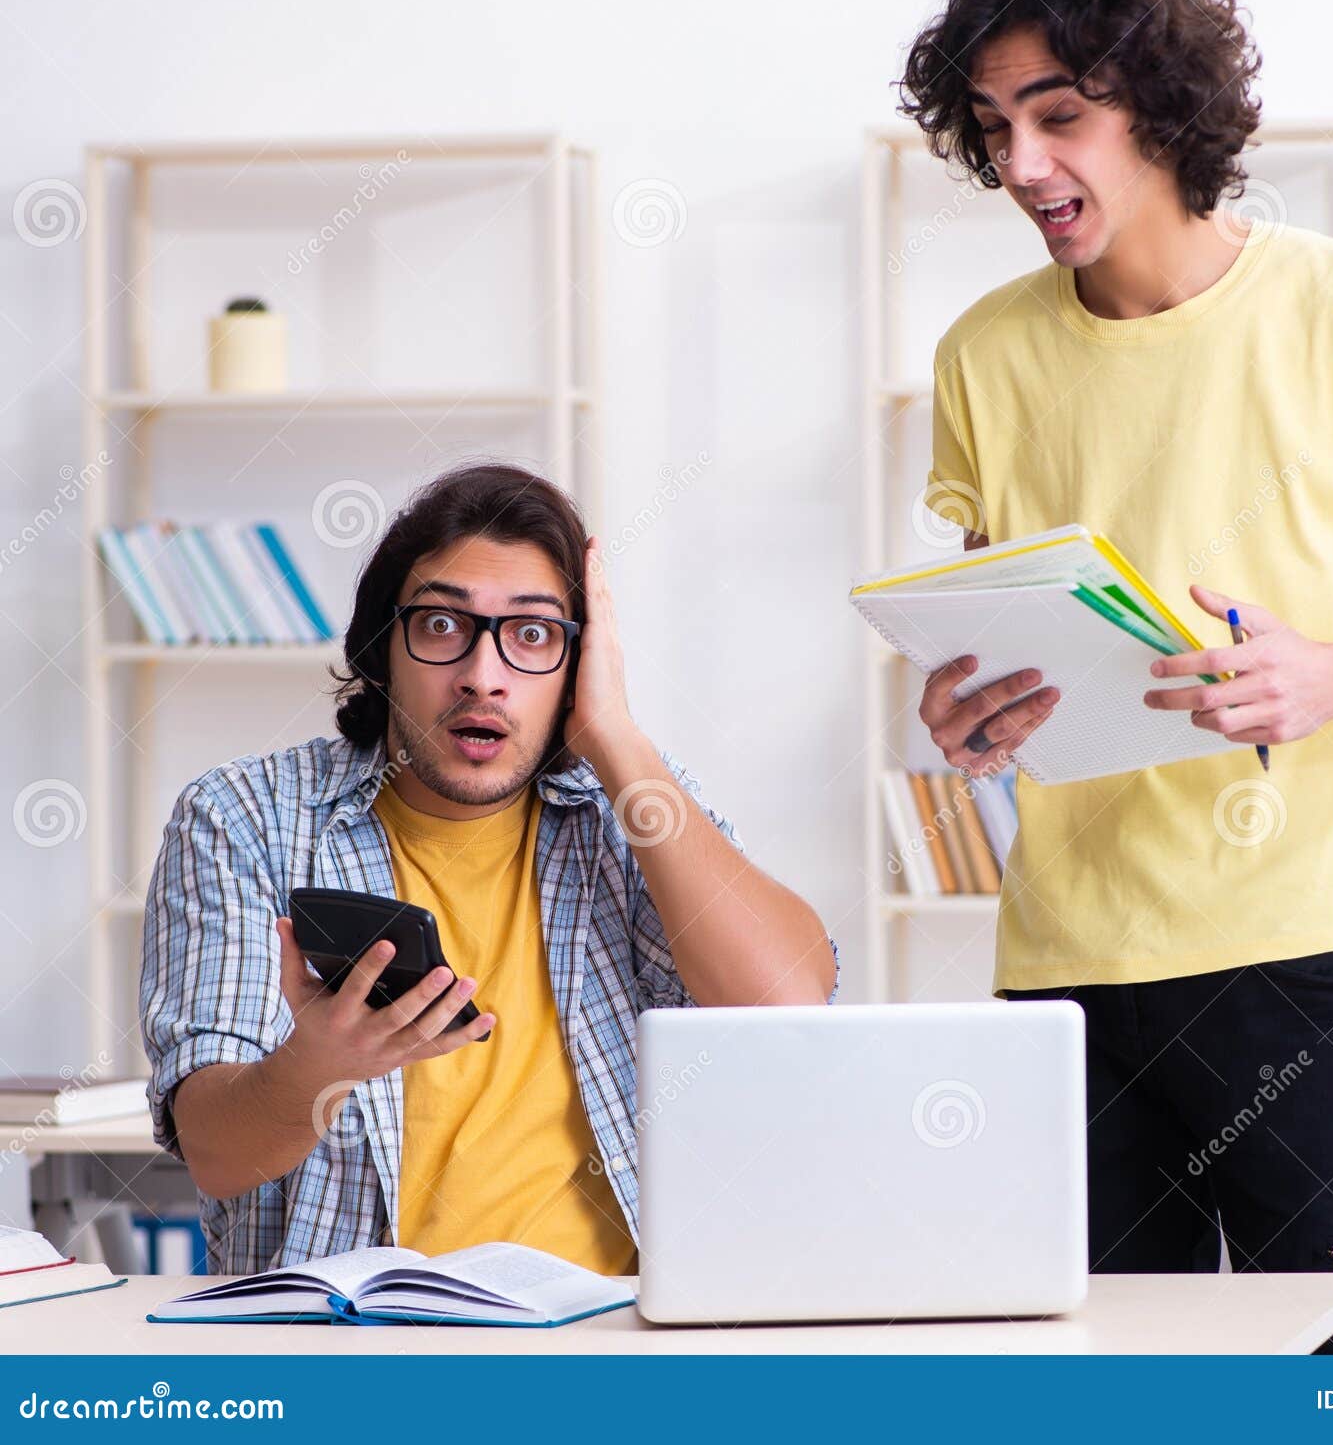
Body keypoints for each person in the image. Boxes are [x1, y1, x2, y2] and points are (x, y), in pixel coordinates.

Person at [897, 0, 1333, 1352]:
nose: (1021, 165)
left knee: (1326, 1385)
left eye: (1060, 115)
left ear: (1160, 101)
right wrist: (971, 716)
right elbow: (1008, 643)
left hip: (1294, 969)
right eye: (996, 126)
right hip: (1062, 979)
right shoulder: (984, 356)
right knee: (1094, 1394)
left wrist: (1327, 674)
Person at [141, 462, 837, 1275]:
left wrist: (615, 736)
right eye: (442, 625)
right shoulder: (242, 818)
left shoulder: (630, 810)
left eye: (533, 634)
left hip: (605, 1337)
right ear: (383, 647)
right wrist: (320, 1065)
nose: (483, 673)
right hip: (352, 1345)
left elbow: (787, 1004)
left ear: (579, 665)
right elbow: (216, 1153)